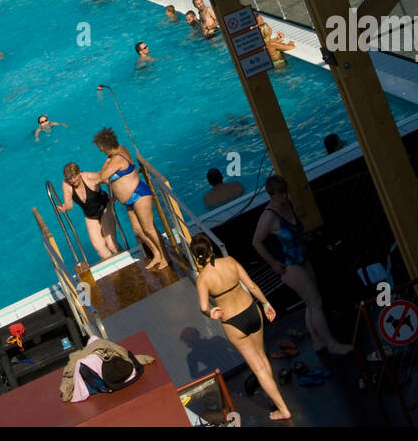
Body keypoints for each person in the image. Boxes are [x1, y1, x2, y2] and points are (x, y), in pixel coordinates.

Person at [190, 234, 290, 421]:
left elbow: (204, 307)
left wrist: (210, 313)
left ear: (196, 256)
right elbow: (251, 286)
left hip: (233, 322)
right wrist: (266, 303)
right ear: (211, 248)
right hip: (251, 310)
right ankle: (274, 399)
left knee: (257, 367)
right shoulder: (229, 261)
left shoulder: (202, 279)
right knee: (262, 356)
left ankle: (283, 409)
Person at [252, 175, 352, 354]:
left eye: (285, 192)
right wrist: (273, 263)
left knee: (309, 302)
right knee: (316, 302)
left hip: (302, 258)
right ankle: (331, 344)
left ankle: (317, 341)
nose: (284, 196)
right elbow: (256, 242)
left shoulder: (287, 204)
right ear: (271, 195)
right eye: (280, 193)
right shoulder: (268, 216)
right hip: (289, 265)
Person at [93, 127, 168, 272]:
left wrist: (101, 171)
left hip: (139, 194)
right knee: (138, 230)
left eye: (100, 148)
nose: (100, 151)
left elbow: (101, 177)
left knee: (149, 229)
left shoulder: (117, 159)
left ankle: (165, 256)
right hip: (129, 200)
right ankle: (157, 254)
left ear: (105, 146)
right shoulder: (118, 151)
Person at [60, 162, 121, 260]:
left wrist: (113, 193)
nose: (72, 181)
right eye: (69, 178)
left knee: (111, 243)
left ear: (79, 173)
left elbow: (107, 179)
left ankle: (126, 261)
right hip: (90, 215)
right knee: (100, 249)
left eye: (74, 177)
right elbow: (69, 204)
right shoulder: (66, 184)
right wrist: (65, 207)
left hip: (105, 207)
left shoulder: (90, 177)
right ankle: (118, 271)